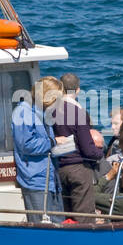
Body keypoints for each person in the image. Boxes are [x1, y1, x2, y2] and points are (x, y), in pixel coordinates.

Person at [47, 83, 105, 220]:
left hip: (58, 169)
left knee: (65, 216)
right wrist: (100, 154)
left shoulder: (48, 111)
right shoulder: (77, 112)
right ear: (77, 90)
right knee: (83, 217)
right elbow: (87, 148)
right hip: (78, 168)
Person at [12, 77, 63, 222]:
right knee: (40, 222)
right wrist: (53, 142)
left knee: (57, 222)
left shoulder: (41, 113)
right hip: (35, 178)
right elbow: (26, 145)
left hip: (50, 177)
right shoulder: (23, 112)